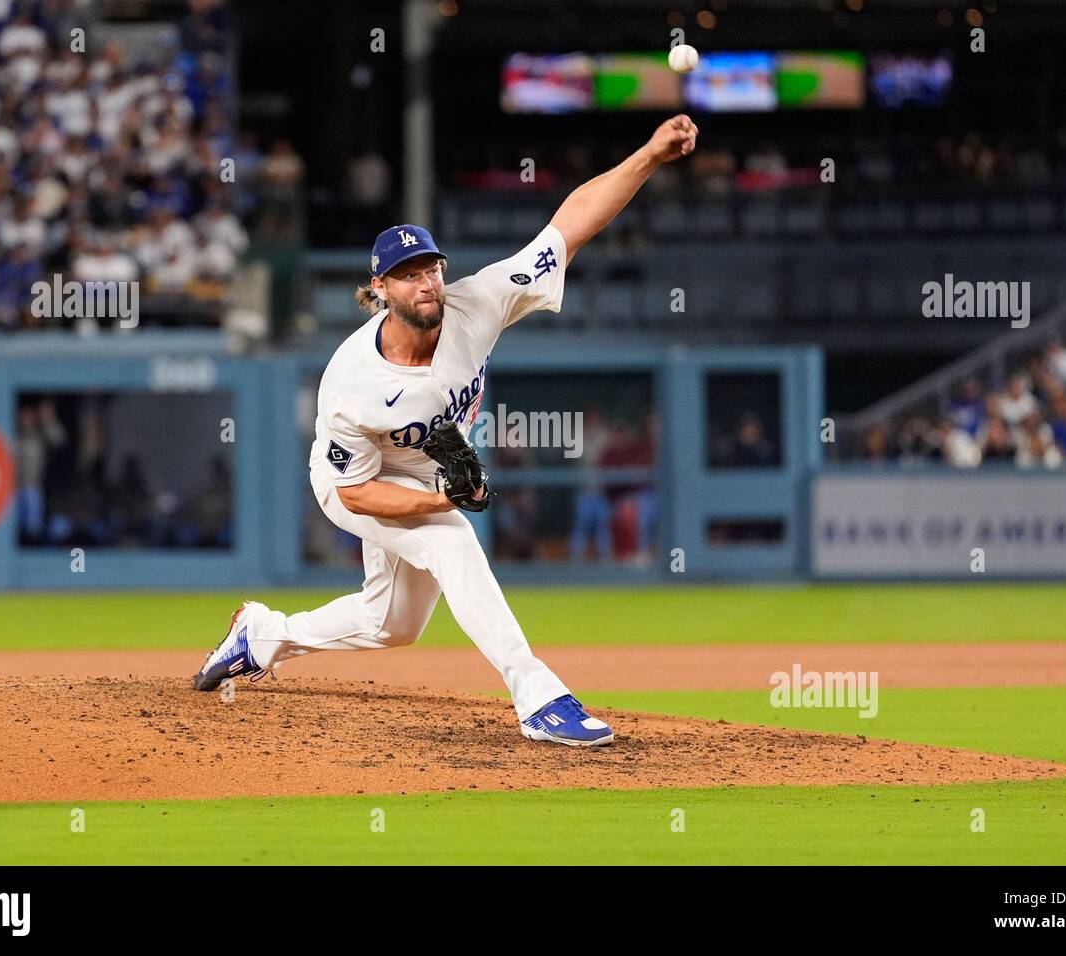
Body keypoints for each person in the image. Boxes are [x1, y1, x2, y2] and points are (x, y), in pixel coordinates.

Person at [194, 115, 700, 747]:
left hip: (426, 470)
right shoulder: (352, 383)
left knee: (392, 624)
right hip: (355, 483)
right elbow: (356, 494)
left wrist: (649, 155)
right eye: (407, 273)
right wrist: (439, 501)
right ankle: (537, 694)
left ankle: (260, 636)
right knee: (452, 541)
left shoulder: (478, 302)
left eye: (430, 267)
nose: (425, 281)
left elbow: (569, 226)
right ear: (379, 288)